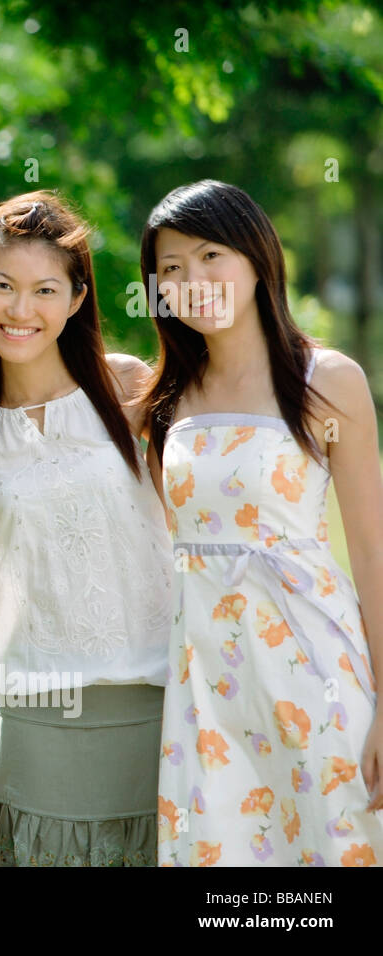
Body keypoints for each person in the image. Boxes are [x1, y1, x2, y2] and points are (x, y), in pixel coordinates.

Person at [142, 180, 383, 866]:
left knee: (332, 845)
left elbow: (372, 548)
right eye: (171, 268)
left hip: (314, 664)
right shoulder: (165, 397)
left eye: (211, 254)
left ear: (256, 258)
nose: (194, 280)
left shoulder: (325, 380)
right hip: (205, 684)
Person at [0, 191, 175, 866]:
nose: (22, 310)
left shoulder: (126, 386)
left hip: (151, 687)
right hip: (33, 694)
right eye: (3, 287)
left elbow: (190, 527)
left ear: (76, 298)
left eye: (45, 290)